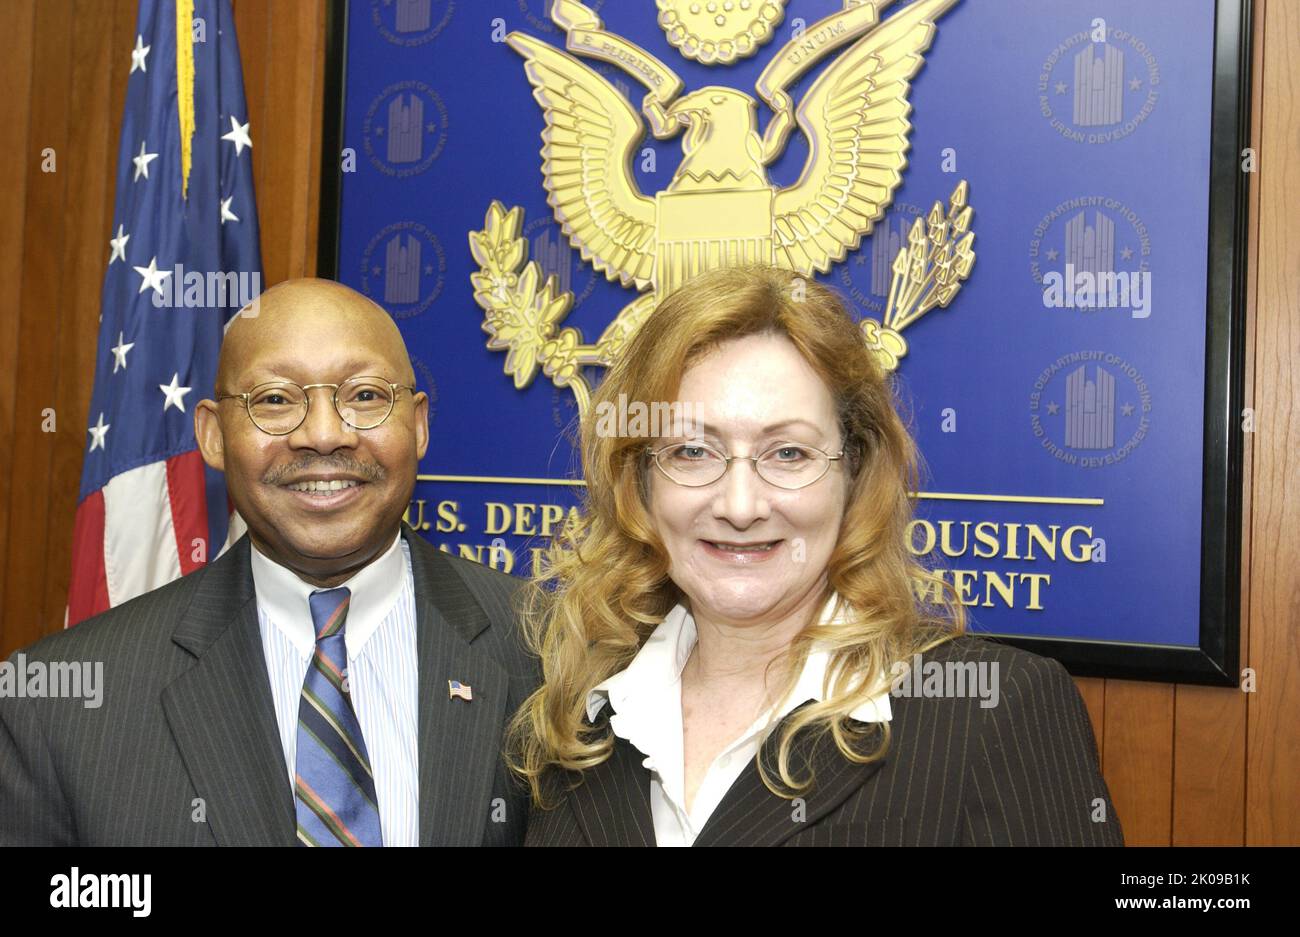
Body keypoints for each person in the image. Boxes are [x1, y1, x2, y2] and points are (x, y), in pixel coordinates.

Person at [510, 264, 1123, 846]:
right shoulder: (574, 714)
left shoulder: (991, 713)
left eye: (790, 454)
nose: (740, 505)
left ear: (854, 471)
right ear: (641, 479)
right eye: (692, 452)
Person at [0, 279, 537, 846]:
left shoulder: (555, 653)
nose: (325, 435)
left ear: (419, 424)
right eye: (276, 400)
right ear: (212, 434)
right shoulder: (57, 709)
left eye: (365, 396)